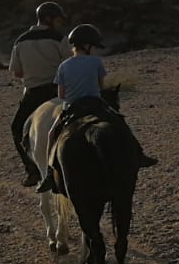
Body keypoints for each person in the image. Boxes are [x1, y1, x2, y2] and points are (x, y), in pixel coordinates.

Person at [36, 23, 157, 191]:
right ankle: (139, 154)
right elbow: (100, 86)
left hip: (71, 107)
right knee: (121, 123)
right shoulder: (96, 62)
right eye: (94, 47)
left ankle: (50, 173)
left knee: (51, 134)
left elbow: (61, 94)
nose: (96, 51)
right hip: (95, 104)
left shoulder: (63, 66)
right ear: (87, 46)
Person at [9, 1, 67, 186]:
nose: (59, 24)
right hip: (55, 91)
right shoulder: (59, 38)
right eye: (57, 20)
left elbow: (16, 72)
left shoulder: (20, 41)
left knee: (17, 128)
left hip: (33, 94)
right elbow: (68, 63)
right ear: (48, 19)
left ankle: (32, 171)